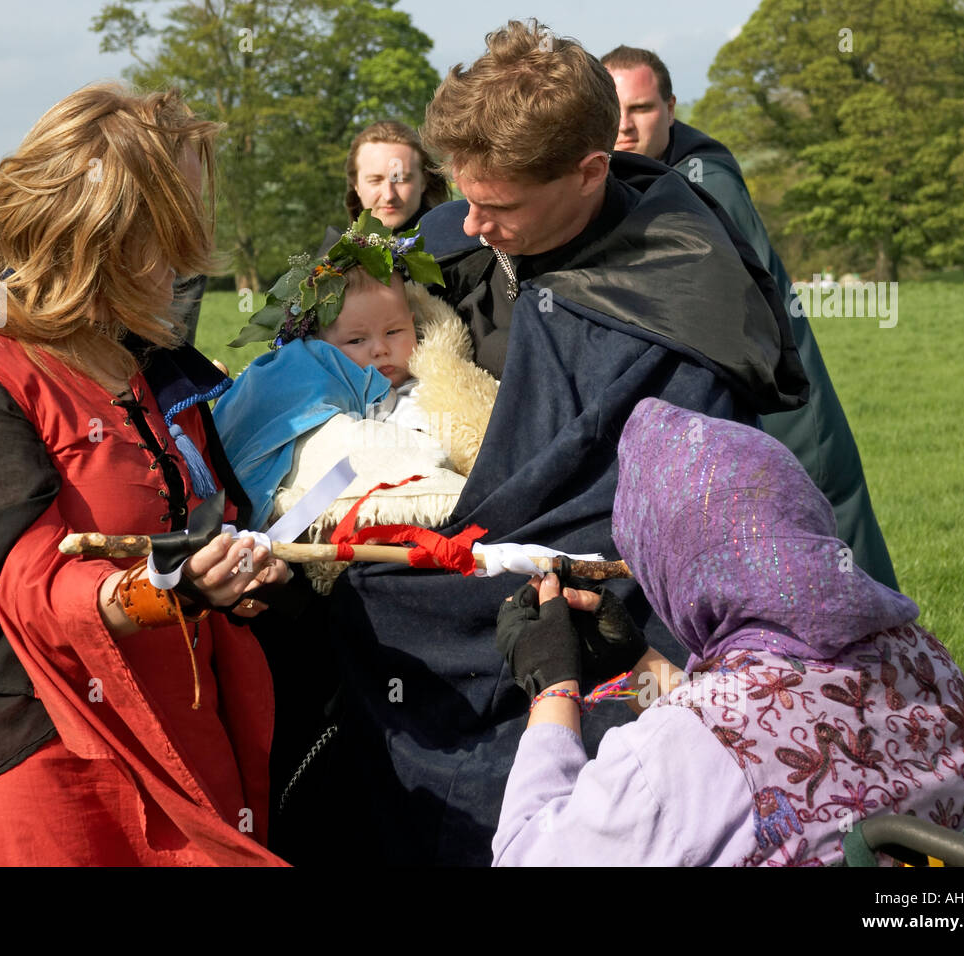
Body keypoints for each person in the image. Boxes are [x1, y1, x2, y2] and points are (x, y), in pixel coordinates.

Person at [278, 20, 809, 866]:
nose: (473, 223)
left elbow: (667, 531)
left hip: (581, 618)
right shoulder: (469, 232)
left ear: (590, 171)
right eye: (465, 195)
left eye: (501, 206)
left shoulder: (674, 295)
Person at [0, 83, 290, 866]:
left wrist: (237, 567)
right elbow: (17, 579)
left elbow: (195, 518)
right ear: (113, 234)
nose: (195, 244)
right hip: (53, 766)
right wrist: (166, 587)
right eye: (177, 221)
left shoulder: (145, 367)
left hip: (179, 739)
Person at [492, 397, 964, 865]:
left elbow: (527, 857)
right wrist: (634, 664)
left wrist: (552, 685)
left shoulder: (679, 757)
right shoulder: (925, 658)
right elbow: (756, 732)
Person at [601, 45, 898, 590]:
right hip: (739, 397)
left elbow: (741, 308)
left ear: (670, 106)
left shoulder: (703, 182)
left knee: (829, 553)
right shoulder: (634, 174)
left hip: (779, 401)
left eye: (640, 108)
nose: (624, 125)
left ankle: (889, 671)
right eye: (612, 109)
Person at [215, 214, 496, 581]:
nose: (380, 349)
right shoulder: (327, 386)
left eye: (394, 331)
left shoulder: (431, 386)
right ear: (324, 347)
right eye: (356, 340)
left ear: (415, 323)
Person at [345, 121, 451, 233]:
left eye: (401, 180)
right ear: (356, 184)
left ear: (423, 182)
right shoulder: (335, 249)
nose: (389, 196)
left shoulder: (457, 247)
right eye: (375, 180)